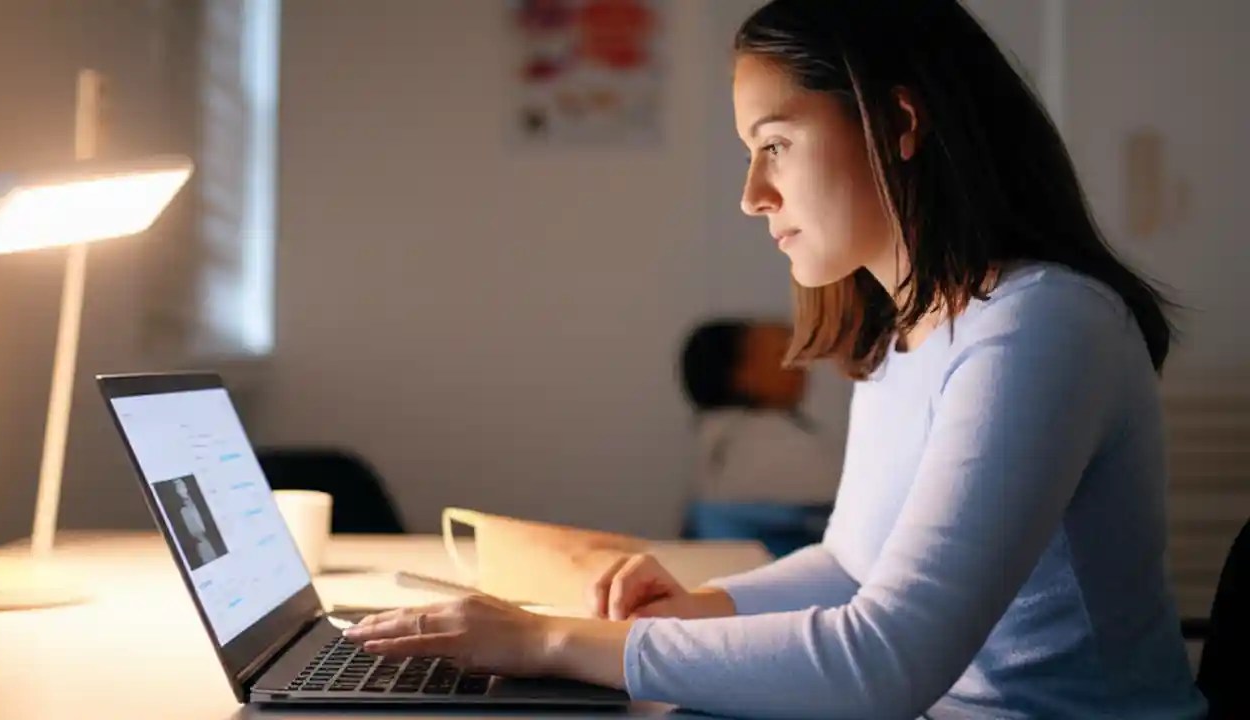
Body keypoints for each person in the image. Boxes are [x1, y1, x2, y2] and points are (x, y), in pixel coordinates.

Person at [345, 0, 1207, 716]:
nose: (754, 195)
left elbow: (888, 662)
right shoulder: (906, 330)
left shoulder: (1042, 325)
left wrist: (549, 641)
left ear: (898, 123)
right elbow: (850, 566)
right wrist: (698, 608)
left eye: (776, 145)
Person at [679, 319, 837, 557]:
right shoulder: (761, 441)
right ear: (741, 374)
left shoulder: (717, 434)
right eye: (783, 353)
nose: (803, 364)